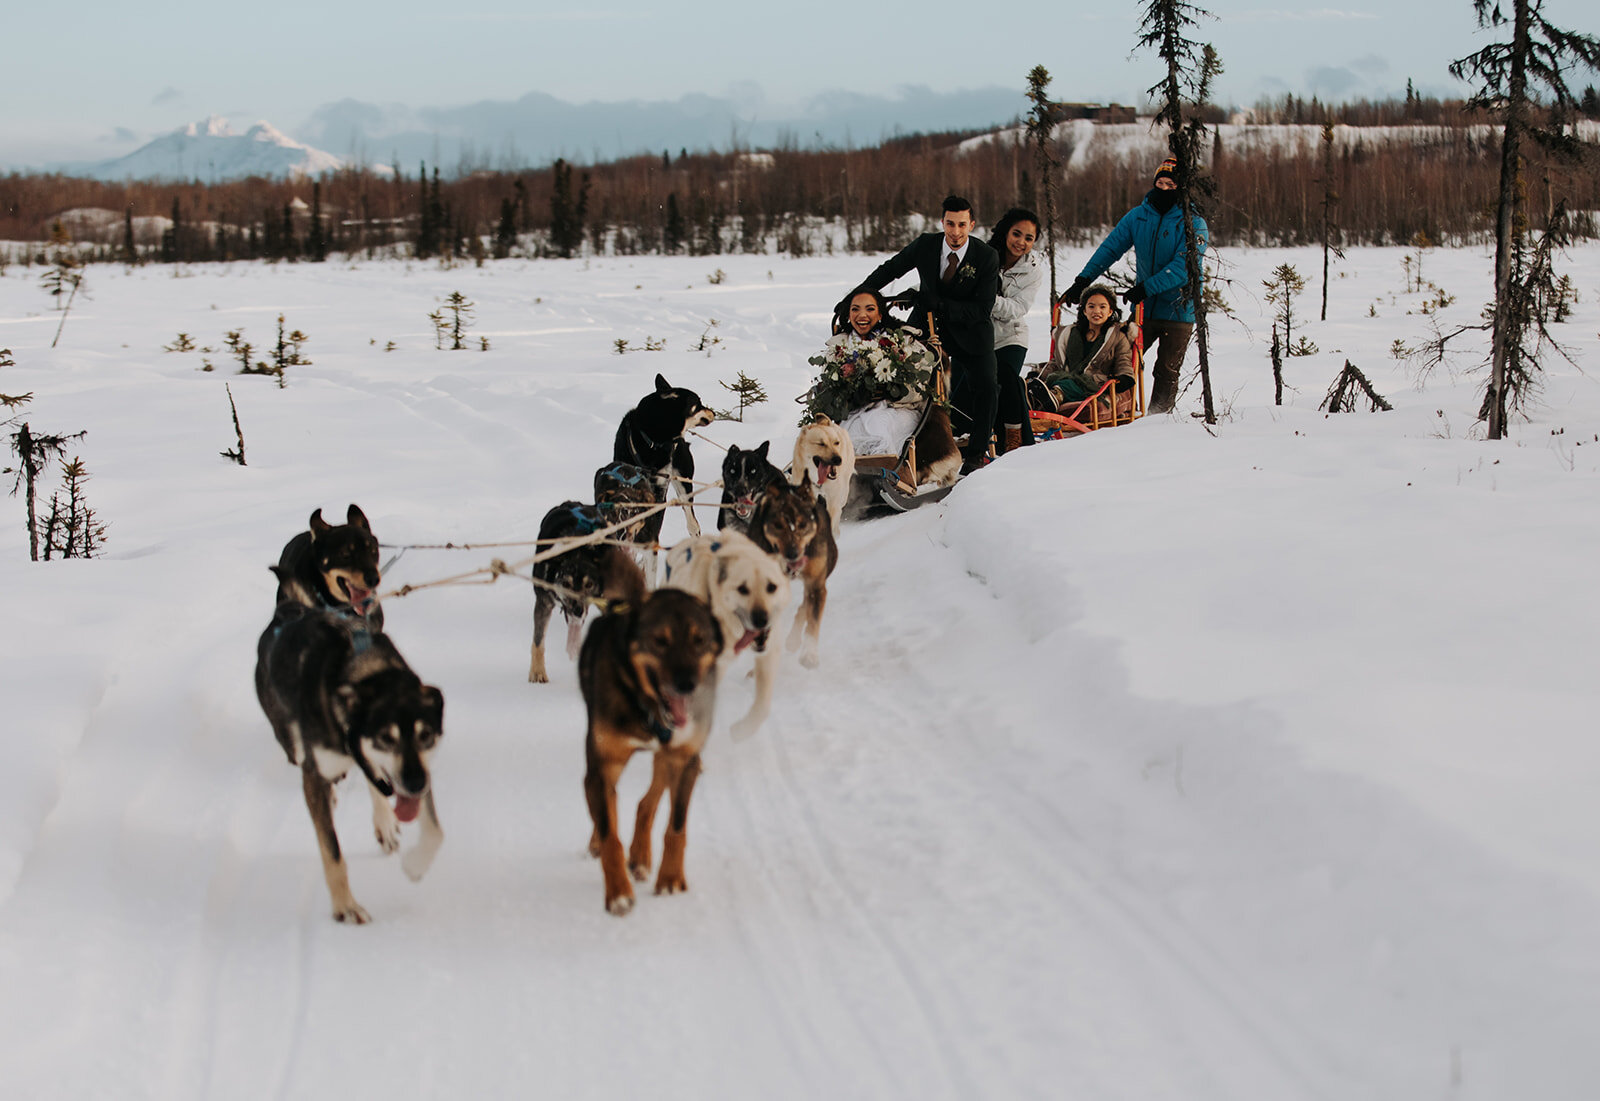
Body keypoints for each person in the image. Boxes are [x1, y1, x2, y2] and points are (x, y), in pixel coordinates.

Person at [858, 195, 999, 473]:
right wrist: (860, 294)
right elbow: (891, 269)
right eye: (950, 223)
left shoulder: (986, 256)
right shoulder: (926, 245)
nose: (955, 232)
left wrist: (942, 304)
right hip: (928, 325)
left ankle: (975, 453)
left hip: (972, 333)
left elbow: (982, 309)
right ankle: (903, 444)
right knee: (905, 377)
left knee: (986, 386)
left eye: (961, 224)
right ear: (942, 222)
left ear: (971, 224)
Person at [1060, 157, 1208, 414]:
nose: (1163, 189)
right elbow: (1110, 248)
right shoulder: (1139, 216)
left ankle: (1157, 417)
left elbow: (1183, 268)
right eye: (1159, 182)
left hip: (1179, 309)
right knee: (1122, 361)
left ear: (1181, 187)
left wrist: (1145, 287)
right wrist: (1082, 281)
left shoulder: (1193, 222)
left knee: (1166, 369)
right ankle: (1117, 411)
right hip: (1145, 309)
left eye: (1171, 184)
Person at [805, 287, 940, 457]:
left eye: (870, 309)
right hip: (856, 412)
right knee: (847, 434)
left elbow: (921, 387)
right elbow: (831, 388)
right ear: (848, 314)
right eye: (855, 309)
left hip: (899, 410)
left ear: (880, 314)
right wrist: (852, 395)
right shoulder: (838, 347)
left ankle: (884, 470)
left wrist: (891, 392)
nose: (862, 315)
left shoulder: (903, 340)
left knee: (879, 428)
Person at [986, 207, 1043, 453]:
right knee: (982, 383)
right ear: (1005, 232)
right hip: (982, 336)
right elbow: (952, 283)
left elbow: (1017, 308)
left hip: (1012, 335)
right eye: (1016, 234)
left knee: (1005, 376)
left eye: (1029, 238)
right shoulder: (984, 256)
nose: (1021, 242)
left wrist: (985, 300)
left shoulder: (1032, 271)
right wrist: (916, 292)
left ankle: (1013, 435)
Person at [1038, 284, 1133, 408]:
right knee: (1052, 380)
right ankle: (1035, 399)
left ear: (1110, 312)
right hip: (1065, 378)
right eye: (1091, 306)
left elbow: (1123, 361)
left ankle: (1055, 396)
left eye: (1102, 307)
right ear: (1084, 311)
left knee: (1070, 384)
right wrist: (1039, 375)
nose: (1096, 311)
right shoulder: (1070, 334)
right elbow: (1057, 362)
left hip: (1094, 384)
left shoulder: (1117, 337)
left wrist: (1124, 378)